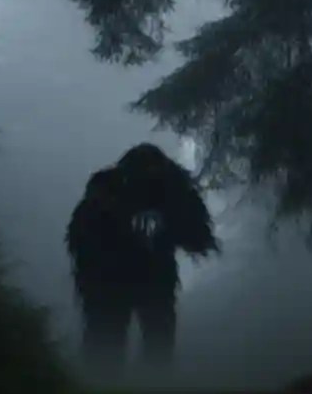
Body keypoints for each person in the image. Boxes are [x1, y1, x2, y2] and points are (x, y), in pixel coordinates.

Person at [66, 143, 219, 372]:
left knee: (142, 341)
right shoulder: (109, 187)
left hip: (139, 276)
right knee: (112, 341)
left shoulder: (170, 187)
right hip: (113, 276)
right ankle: (113, 390)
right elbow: (81, 236)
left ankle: (130, 391)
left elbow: (198, 235)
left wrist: (168, 224)